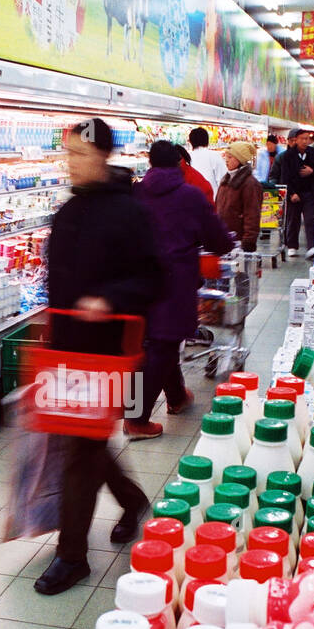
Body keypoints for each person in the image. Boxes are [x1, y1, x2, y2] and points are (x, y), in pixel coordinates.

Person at [33, 118, 164, 596]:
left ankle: (72, 557)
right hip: (66, 349)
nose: (72, 163)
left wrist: (108, 299)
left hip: (107, 352)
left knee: (79, 449)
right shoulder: (70, 210)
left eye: (81, 155)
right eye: (68, 154)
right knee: (83, 440)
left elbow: (154, 279)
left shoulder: (129, 213)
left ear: (104, 156)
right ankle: (132, 502)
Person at [126, 140, 233, 439]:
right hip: (174, 283)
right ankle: (135, 419)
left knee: (155, 345)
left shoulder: (135, 192)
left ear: (150, 164)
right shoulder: (190, 196)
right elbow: (218, 240)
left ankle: (176, 397)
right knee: (160, 347)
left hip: (137, 283)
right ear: (179, 163)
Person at [274, 126, 314, 257]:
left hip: (310, 193)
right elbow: (285, 176)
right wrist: (292, 193)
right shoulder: (287, 156)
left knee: (311, 219)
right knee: (293, 220)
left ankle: (312, 246)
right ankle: (292, 246)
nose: (305, 141)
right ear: (296, 140)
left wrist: (313, 171)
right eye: (302, 139)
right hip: (294, 193)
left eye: (307, 139)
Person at [215, 141, 263, 252]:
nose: (226, 160)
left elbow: (252, 215)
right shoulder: (226, 180)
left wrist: (248, 242)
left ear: (240, 159)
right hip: (224, 238)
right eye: (226, 156)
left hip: (239, 242)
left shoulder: (250, 184)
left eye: (230, 157)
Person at [187, 126, 226, 194]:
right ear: (207, 141)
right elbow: (223, 181)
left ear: (190, 142)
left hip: (192, 199)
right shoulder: (215, 155)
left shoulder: (187, 157)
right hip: (212, 200)